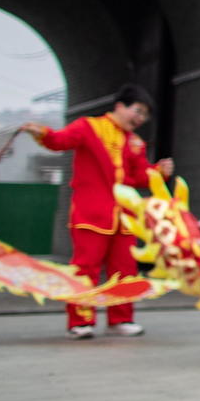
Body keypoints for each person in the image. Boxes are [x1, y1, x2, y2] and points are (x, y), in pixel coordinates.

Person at [22, 84, 173, 337]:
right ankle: (81, 321)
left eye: (144, 116)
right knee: (86, 269)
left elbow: (137, 176)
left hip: (125, 218)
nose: (139, 119)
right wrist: (43, 133)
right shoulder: (87, 127)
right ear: (120, 106)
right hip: (91, 214)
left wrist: (158, 172)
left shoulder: (135, 142)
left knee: (125, 270)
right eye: (137, 111)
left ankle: (120, 319)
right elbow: (60, 141)